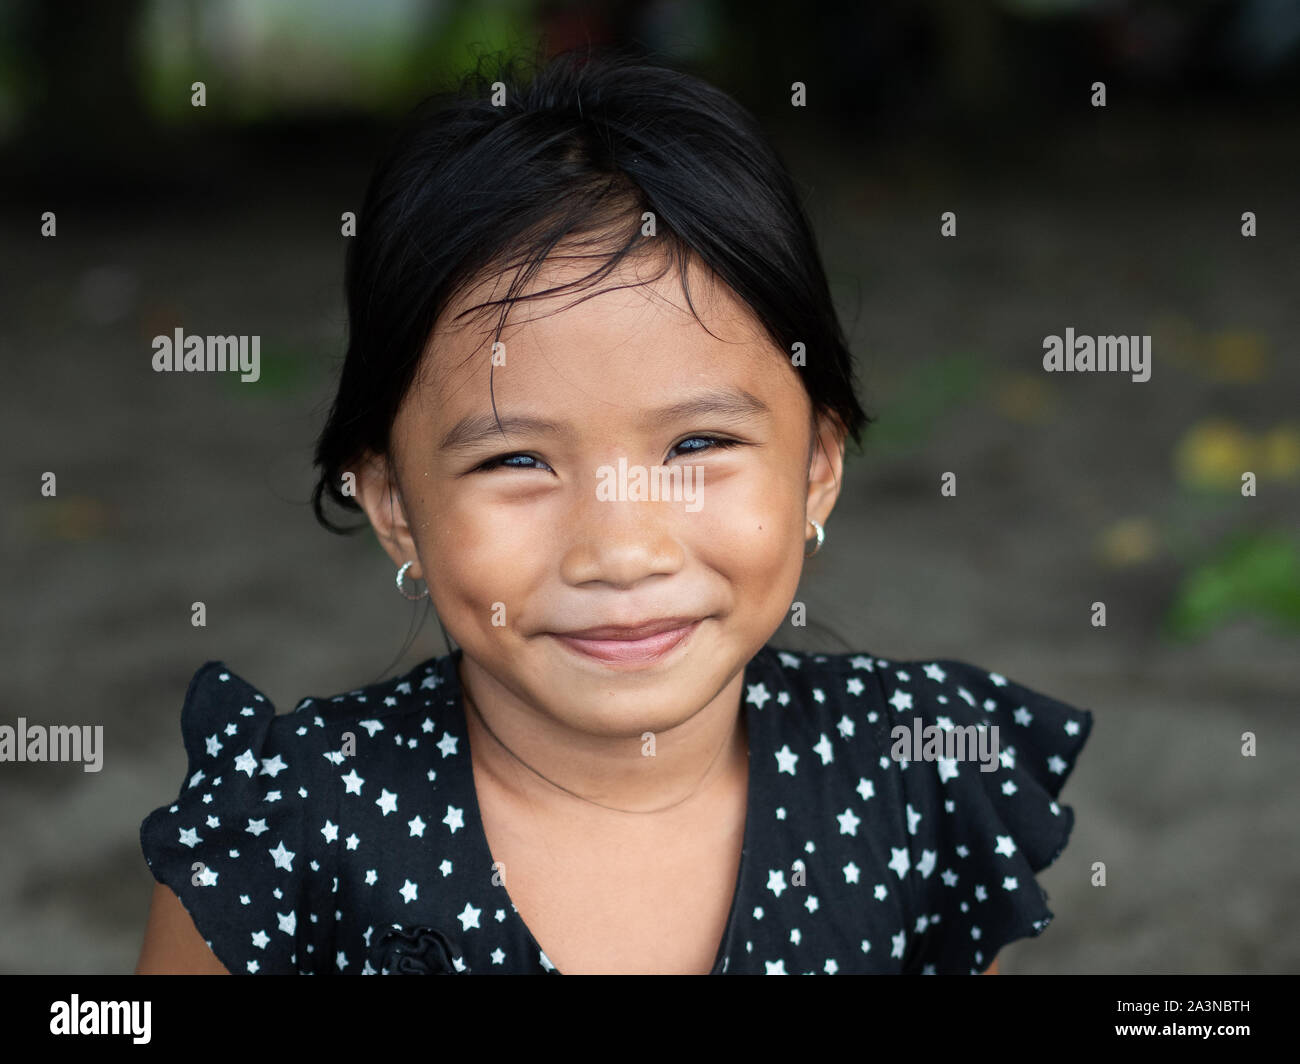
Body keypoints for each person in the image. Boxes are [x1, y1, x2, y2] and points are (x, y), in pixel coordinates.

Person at [136, 47, 1091, 975]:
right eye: (516, 459)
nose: (622, 549)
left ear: (815, 471)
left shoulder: (913, 773)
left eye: (696, 446)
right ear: (392, 505)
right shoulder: (291, 825)